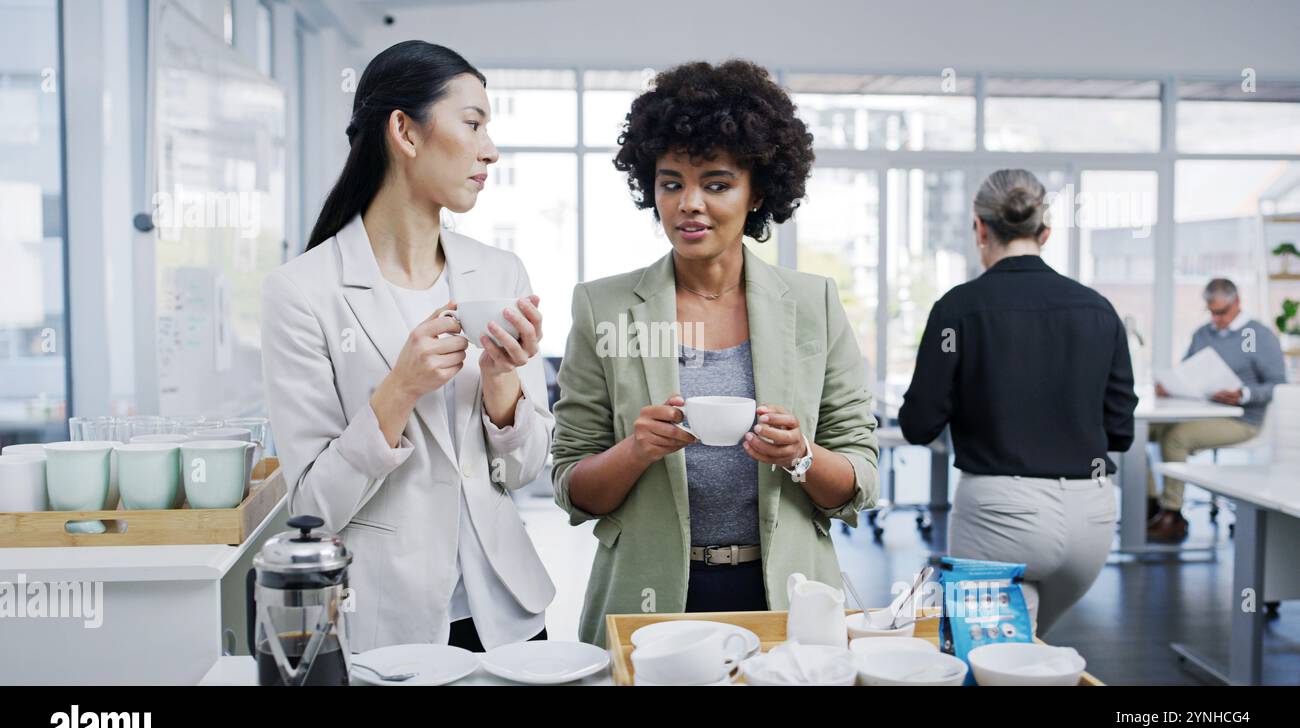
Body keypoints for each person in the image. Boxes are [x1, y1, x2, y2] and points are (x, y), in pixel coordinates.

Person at [550, 60, 879, 646]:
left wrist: (800, 454)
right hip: (647, 593)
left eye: (717, 183)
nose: (688, 204)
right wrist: (636, 449)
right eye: (671, 182)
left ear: (758, 193)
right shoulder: (602, 308)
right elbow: (573, 489)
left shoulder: (815, 303)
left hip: (786, 595)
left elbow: (860, 481)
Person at [261, 41, 555, 653]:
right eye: (472, 123)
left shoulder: (501, 275)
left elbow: (525, 470)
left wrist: (502, 386)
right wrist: (399, 391)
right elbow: (313, 504)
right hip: (388, 626)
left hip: (508, 614)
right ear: (405, 130)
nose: (490, 150)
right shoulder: (301, 292)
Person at [898, 169, 1138, 637]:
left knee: (988, 657)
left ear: (980, 229)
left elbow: (920, 424)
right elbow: (1121, 429)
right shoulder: (1099, 309)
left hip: (1000, 517)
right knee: (1026, 652)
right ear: (1044, 233)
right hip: (1092, 521)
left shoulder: (957, 310)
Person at [1147, 278, 1288, 543]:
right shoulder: (1203, 334)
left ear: (1237, 303)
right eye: (1211, 311)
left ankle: (1172, 514)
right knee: (1140, 433)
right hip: (1203, 411)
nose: (1216, 318)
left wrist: (1244, 394)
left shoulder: (1258, 335)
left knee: (1176, 437)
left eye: (1221, 312)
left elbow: (1278, 385)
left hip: (1244, 419)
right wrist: (1171, 385)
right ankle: (1150, 503)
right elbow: (1188, 373)